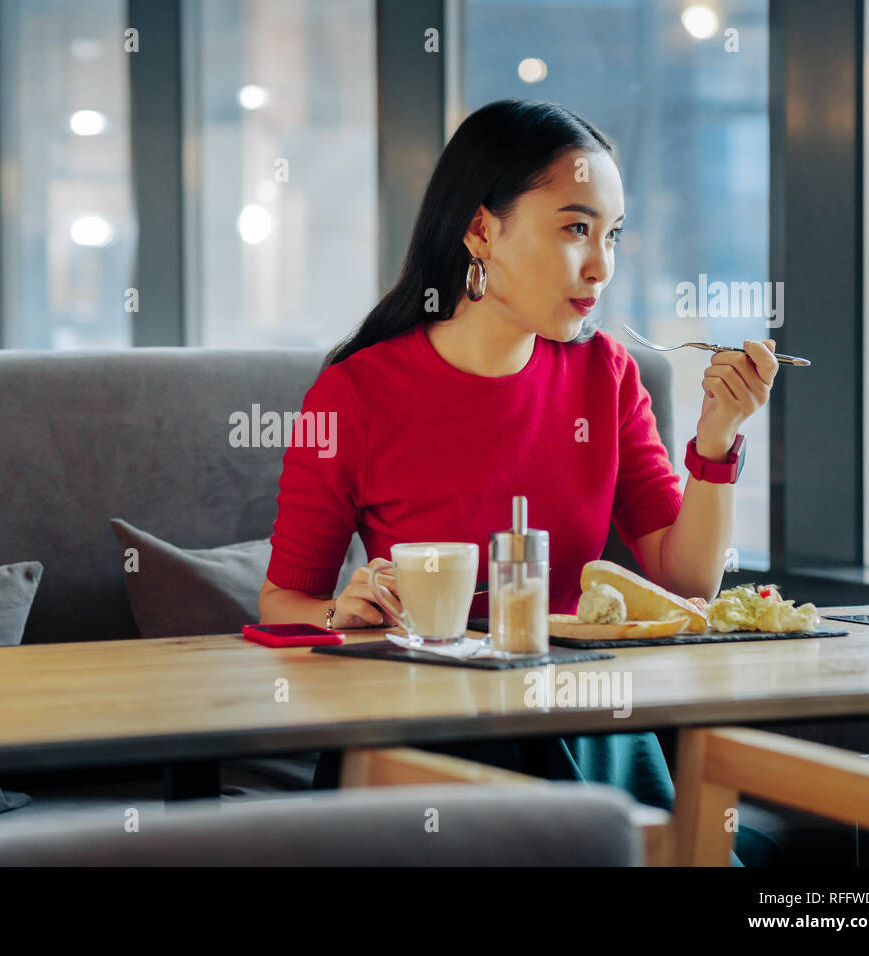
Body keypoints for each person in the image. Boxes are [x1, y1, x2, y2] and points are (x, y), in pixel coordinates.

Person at [257, 99, 780, 865]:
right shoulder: (353, 394)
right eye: (575, 229)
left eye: (613, 236)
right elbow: (281, 603)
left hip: (577, 717)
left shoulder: (607, 376)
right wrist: (342, 611)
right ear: (480, 230)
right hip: (426, 729)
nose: (601, 265)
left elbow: (686, 579)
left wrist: (716, 440)